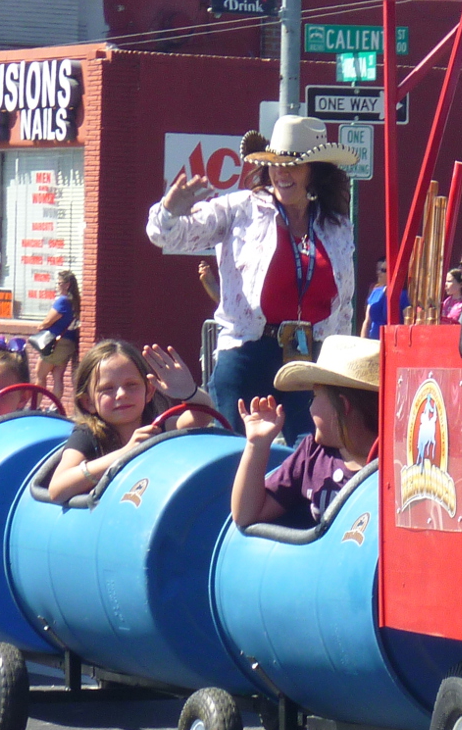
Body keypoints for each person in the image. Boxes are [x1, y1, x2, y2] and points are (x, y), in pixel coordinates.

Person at [147, 117, 359, 440]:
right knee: (236, 452)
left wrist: (338, 364)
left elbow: (342, 306)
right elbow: (166, 236)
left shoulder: (336, 226)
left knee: (314, 452)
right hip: (248, 353)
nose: (282, 173)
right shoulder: (239, 209)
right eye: (276, 164)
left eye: (294, 165)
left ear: (314, 170)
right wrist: (169, 210)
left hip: (308, 357)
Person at [231, 335, 379, 529]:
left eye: (315, 397)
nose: (309, 408)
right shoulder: (312, 454)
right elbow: (246, 515)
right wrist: (256, 445)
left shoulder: (392, 464)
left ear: (342, 406)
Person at [47, 339, 212, 503]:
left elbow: (202, 416)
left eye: (131, 385)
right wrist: (125, 453)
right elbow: (57, 489)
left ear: (148, 392)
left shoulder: (157, 427)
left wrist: (189, 392)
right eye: (107, 389)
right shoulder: (87, 435)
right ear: (88, 402)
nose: (121, 394)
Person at [33, 270, 81, 403]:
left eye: (60, 283)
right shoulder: (76, 302)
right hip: (69, 343)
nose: (58, 286)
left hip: (56, 343)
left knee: (40, 374)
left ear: (67, 285)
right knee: (57, 376)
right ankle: (55, 407)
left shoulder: (63, 301)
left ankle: (35, 406)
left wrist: (41, 326)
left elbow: (49, 321)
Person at [365, 258, 407, 338]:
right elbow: (367, 322)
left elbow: (406, 324)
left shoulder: (403, 296)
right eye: (379, 269)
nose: (379, 273)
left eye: (383, 270)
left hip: (391, 343)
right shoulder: (375, 292)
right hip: (372, 342)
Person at [441, 252, 462, 324]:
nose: (446, 284)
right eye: (445, 281)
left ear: (461, 284)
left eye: (449, 281)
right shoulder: (446, 302)